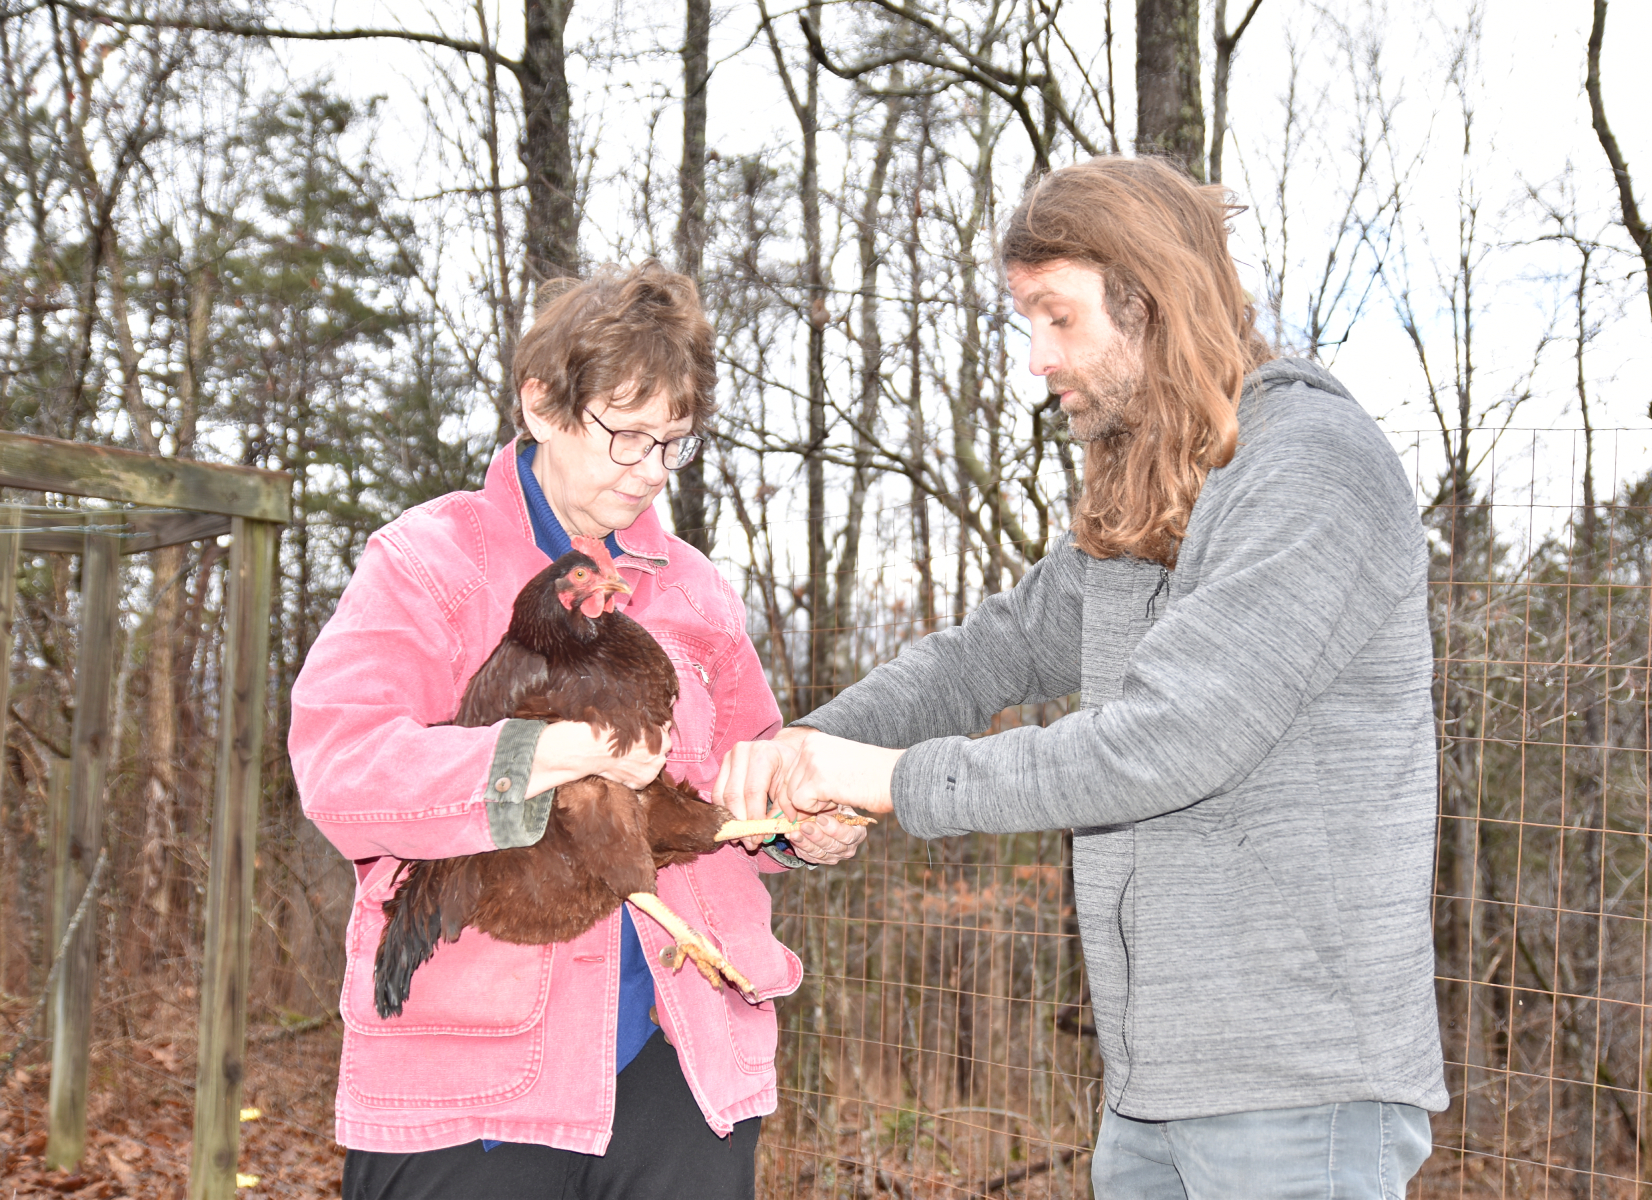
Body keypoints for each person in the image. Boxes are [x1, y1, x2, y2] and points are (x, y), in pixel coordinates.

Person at [716, 157, 1447, 1199]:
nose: (1035, 359)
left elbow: (1165, 742)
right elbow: (987, 654)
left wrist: (886, 779)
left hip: (1298, 1087)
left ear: (1148, 304)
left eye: (1057, 319)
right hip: (1153, 1087)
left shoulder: (1312, 469)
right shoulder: (1156, 489)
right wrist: (797, 759)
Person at [290, 260, 866, 1200]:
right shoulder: (429, 564)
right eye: (623, 435)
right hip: (478, 1074)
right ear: (543, 406)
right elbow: (341, 767)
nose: (647, 472)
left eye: (671, 443)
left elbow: (745, 776)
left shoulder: (693, 588)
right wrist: (546, 755)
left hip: (681, 1064)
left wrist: (797, 828)